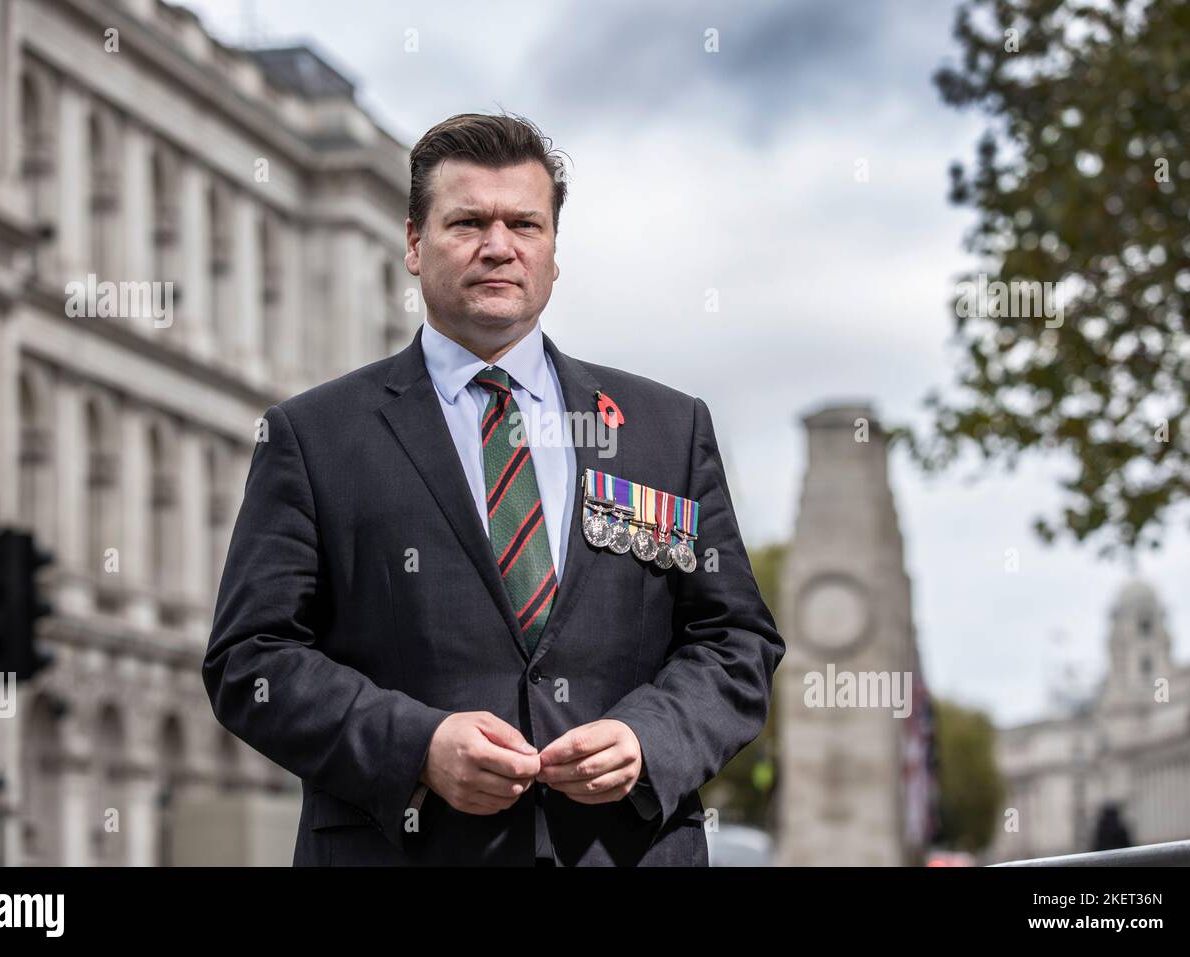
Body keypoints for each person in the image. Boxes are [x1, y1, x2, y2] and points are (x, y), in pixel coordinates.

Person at [203, 112, 784, 866]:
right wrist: (416, 745)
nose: (499, 246)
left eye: (525, 224)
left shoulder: (665, 430)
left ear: (553, 252)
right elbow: (250, 660)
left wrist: (650, 737)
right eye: (468, 221)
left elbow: (736, 640)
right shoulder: (312, 438)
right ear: (414, 244)